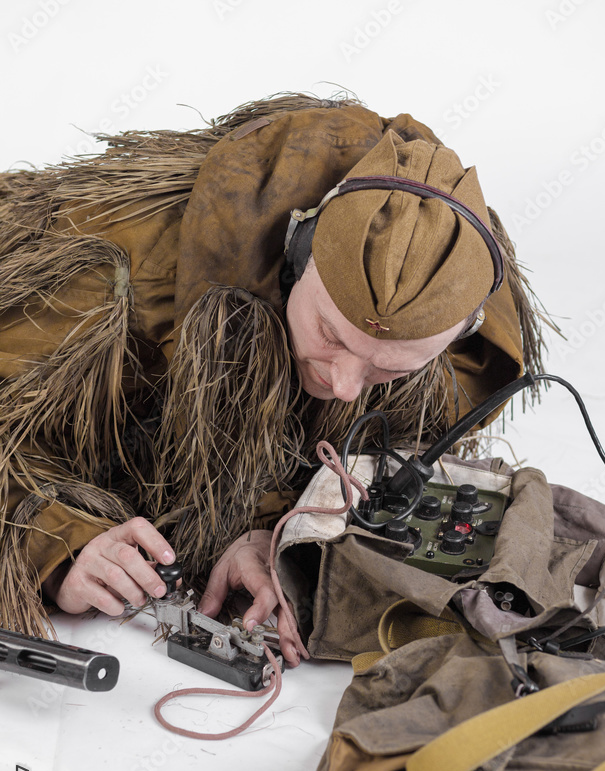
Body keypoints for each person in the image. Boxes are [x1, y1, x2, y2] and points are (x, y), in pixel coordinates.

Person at [0, 92, 550, 665]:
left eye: (390, 367)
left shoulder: (463, 342)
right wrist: (59, 545)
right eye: (330, 334)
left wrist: (276, 530)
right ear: (296, 256)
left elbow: (346, 453)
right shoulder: (117, 275)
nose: (344, 385)